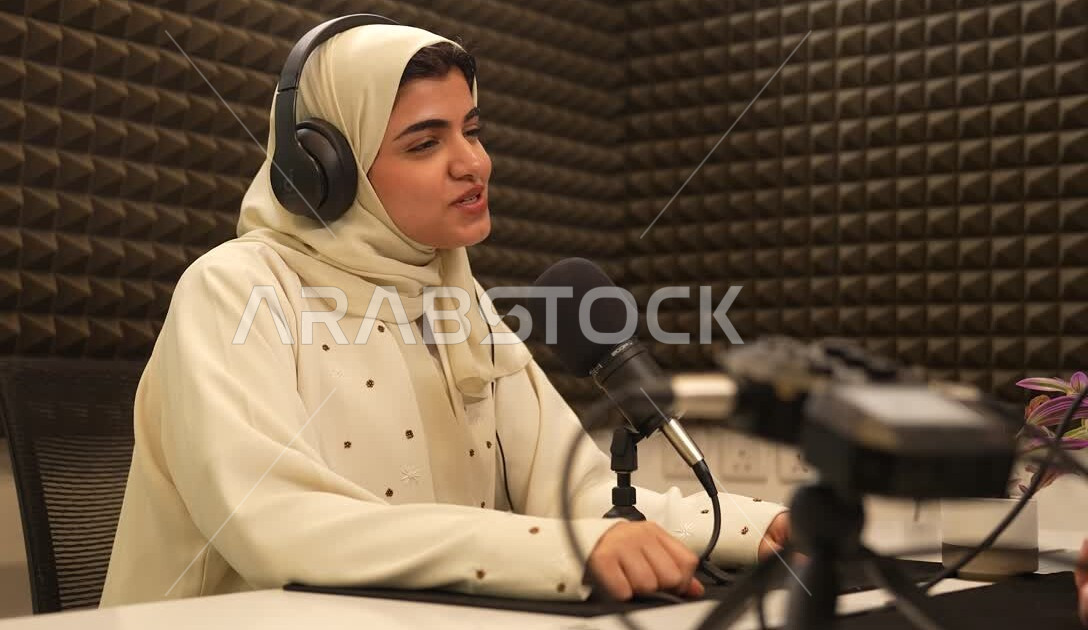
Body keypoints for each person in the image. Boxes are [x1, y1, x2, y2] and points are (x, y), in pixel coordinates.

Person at [99, 21, 790, 607]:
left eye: (473, 130)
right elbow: (280, 526)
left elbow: (574, 490)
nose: (474, 163)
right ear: (322, 170)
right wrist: (558, 552)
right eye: (426, 143)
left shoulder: (459, 301)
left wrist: (748, 527)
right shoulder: (233, 291)